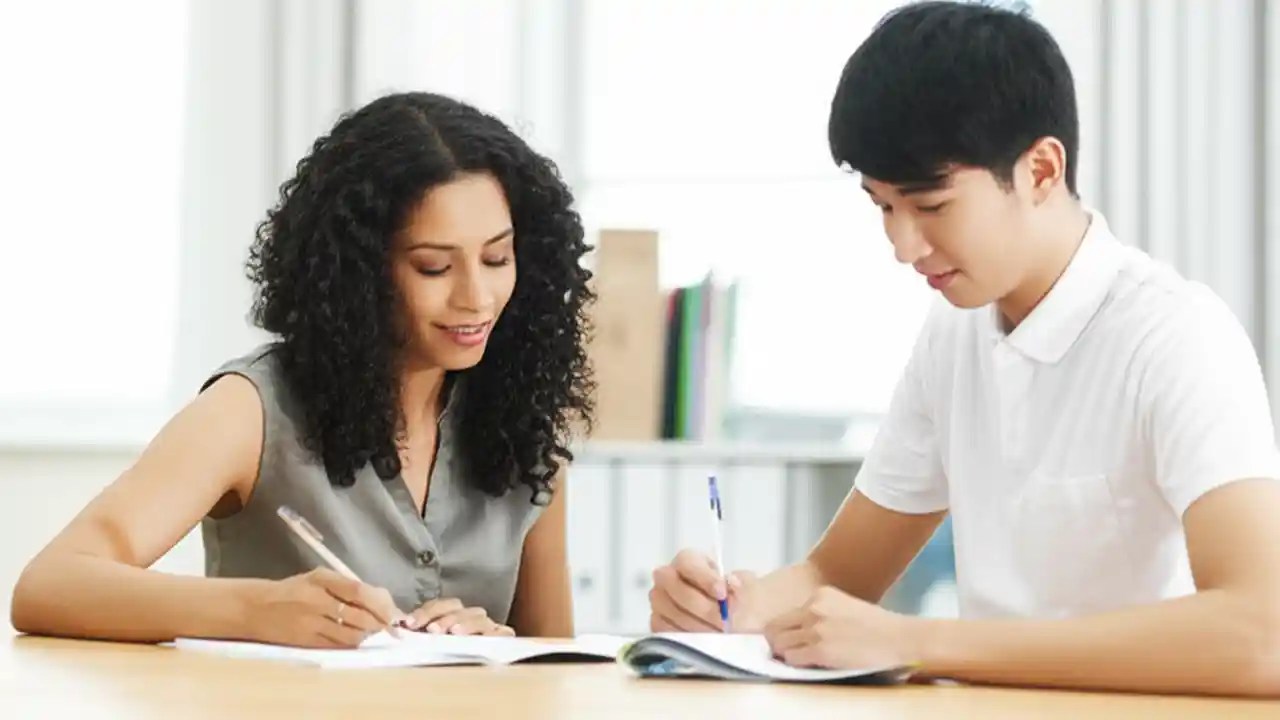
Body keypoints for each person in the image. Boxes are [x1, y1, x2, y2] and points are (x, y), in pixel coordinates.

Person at [649, 1, 1280, 697]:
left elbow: (1263, 635)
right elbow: (834, 575)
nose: (902, 246)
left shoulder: (1177, 336)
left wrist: (918, 643)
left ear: (1041, 171)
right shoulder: (956, 332)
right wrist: (729, 607)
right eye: (883, 207)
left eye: (932, 206)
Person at [11, 91, 595, 648]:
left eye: (497, 258)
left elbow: (552, 666)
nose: (477, 297)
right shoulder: (253, 409)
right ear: (360, 272)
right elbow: (53, 584)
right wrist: (255, 612)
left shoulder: (524, 421)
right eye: (434, 268)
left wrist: (494, 648)